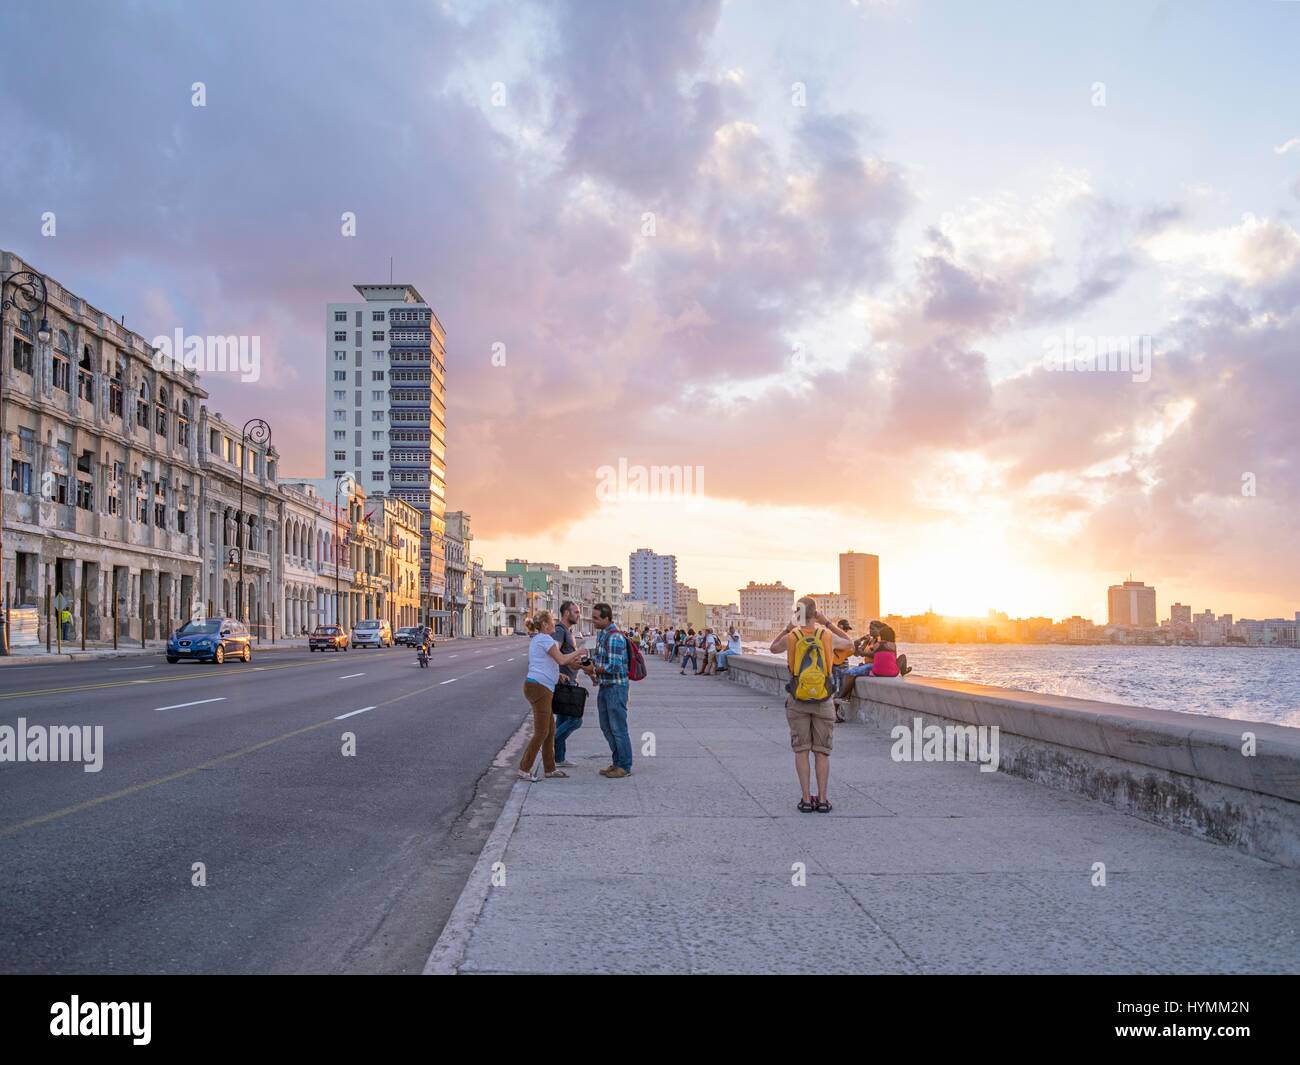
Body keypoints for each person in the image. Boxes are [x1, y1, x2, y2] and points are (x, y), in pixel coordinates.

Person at [770, 596, 853, 814]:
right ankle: (823, 800)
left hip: (797, 699)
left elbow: (772, 649)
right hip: (824, 700)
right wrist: (826, 622)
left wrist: (789, 627)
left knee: (801, 751)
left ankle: (806, 799)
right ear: (816, 613)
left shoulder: (792, 635)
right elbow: (851, 644)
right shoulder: (826, 635)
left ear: (797, 614)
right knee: (822, 752)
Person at [520, 612, 587, 781]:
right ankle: (524, 768)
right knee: (542, 732)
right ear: (544, 625)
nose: (554, 624)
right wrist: (579, 651)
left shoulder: (538, 639)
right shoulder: (545, 640)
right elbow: (562, 660)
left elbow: (543, 662)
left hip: (539, 686)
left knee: (550, 731)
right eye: (552, 622)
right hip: (540, 688)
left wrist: (558, 676)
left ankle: (550, 769)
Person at [584, 603, 632, 778]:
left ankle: (624, 766)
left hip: (616, 688)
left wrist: (595, 669)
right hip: (605, 686)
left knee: (618, 728)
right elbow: (600, 658)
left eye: (596, 618)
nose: (593, 620)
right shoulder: (602, 635)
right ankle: (617, 761)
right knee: (606, 727)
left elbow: (614, 666)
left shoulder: (614, 637)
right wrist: (592, 666)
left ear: (606, 618)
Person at [552, 601, 585, 769]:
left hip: (570, 680)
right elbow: (554, 653)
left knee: (563, 720)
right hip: (564, 683)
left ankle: (559, 758)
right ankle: (551, 741)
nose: (578, 614)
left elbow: (569, 658)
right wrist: (557, 672)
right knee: (575, 720)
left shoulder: (568, 632)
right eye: (576, 612)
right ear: (566, 613)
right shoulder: (559, 631)